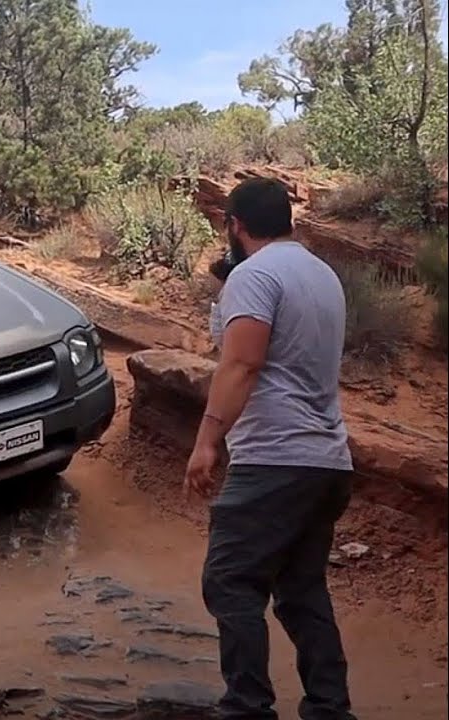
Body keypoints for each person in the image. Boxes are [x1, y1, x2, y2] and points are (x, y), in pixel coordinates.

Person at [185, 177, 357, 720]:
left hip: (273, 458)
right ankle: (330, 708)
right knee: (302, 590)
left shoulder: (255, 276)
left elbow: (241, 364)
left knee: (230, 579)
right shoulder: (321, 273)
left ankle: (246, 706)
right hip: (327, 459)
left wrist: (207, 440)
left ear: (234, 225)